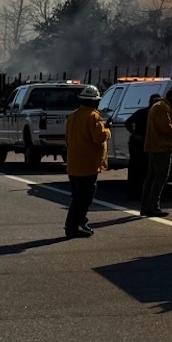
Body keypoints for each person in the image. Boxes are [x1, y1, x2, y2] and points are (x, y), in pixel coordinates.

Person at [63, 86, 108, 239]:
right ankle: (72, 228)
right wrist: (107, 130)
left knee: (78, 197)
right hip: (87, 166)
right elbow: (99, 138)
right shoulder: (94, 117)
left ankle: (81, 222)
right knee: (83, 199)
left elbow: (68, 139)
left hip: (73, 164)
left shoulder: (73, 116)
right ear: (96, 101)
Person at [138, 87, 172, 218]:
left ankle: (145, 206)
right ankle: (153, 207)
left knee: (151, 177)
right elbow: (165, 127)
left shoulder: (159, 106)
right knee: (160, 177)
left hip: (154, 146)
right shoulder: (163, 108)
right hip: (161, 147)